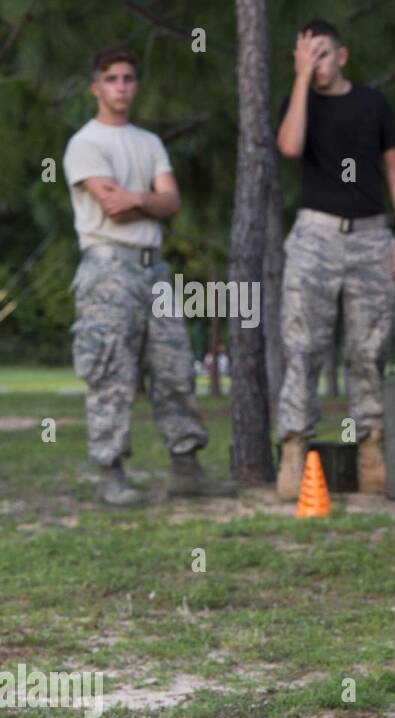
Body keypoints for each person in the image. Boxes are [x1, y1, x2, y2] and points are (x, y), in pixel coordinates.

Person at [63, 46, 235, 506]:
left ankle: (186, 468)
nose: (121, 86)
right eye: (112, 78)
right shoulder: (85, 144)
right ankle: (111, 473)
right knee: (111, 370)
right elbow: (113, 210)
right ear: (95, 86)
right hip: (107, 268)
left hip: (153, 270)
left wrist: (136, 197)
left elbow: (171, 203)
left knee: (174, 366)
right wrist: (149, 199)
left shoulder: (149, 143)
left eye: (128, 78)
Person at [273, 18, 395, 499]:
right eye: (307, 55)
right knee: (302, 345)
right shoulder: (300, 102)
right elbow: (289, 146)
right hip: (314, 234)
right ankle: (294, 447)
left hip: (371, 237)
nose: (317, 63)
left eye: (323, 53)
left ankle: (370, 447)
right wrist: (299, 79)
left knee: (369, 350)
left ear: (343, 55)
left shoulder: (372, 102)